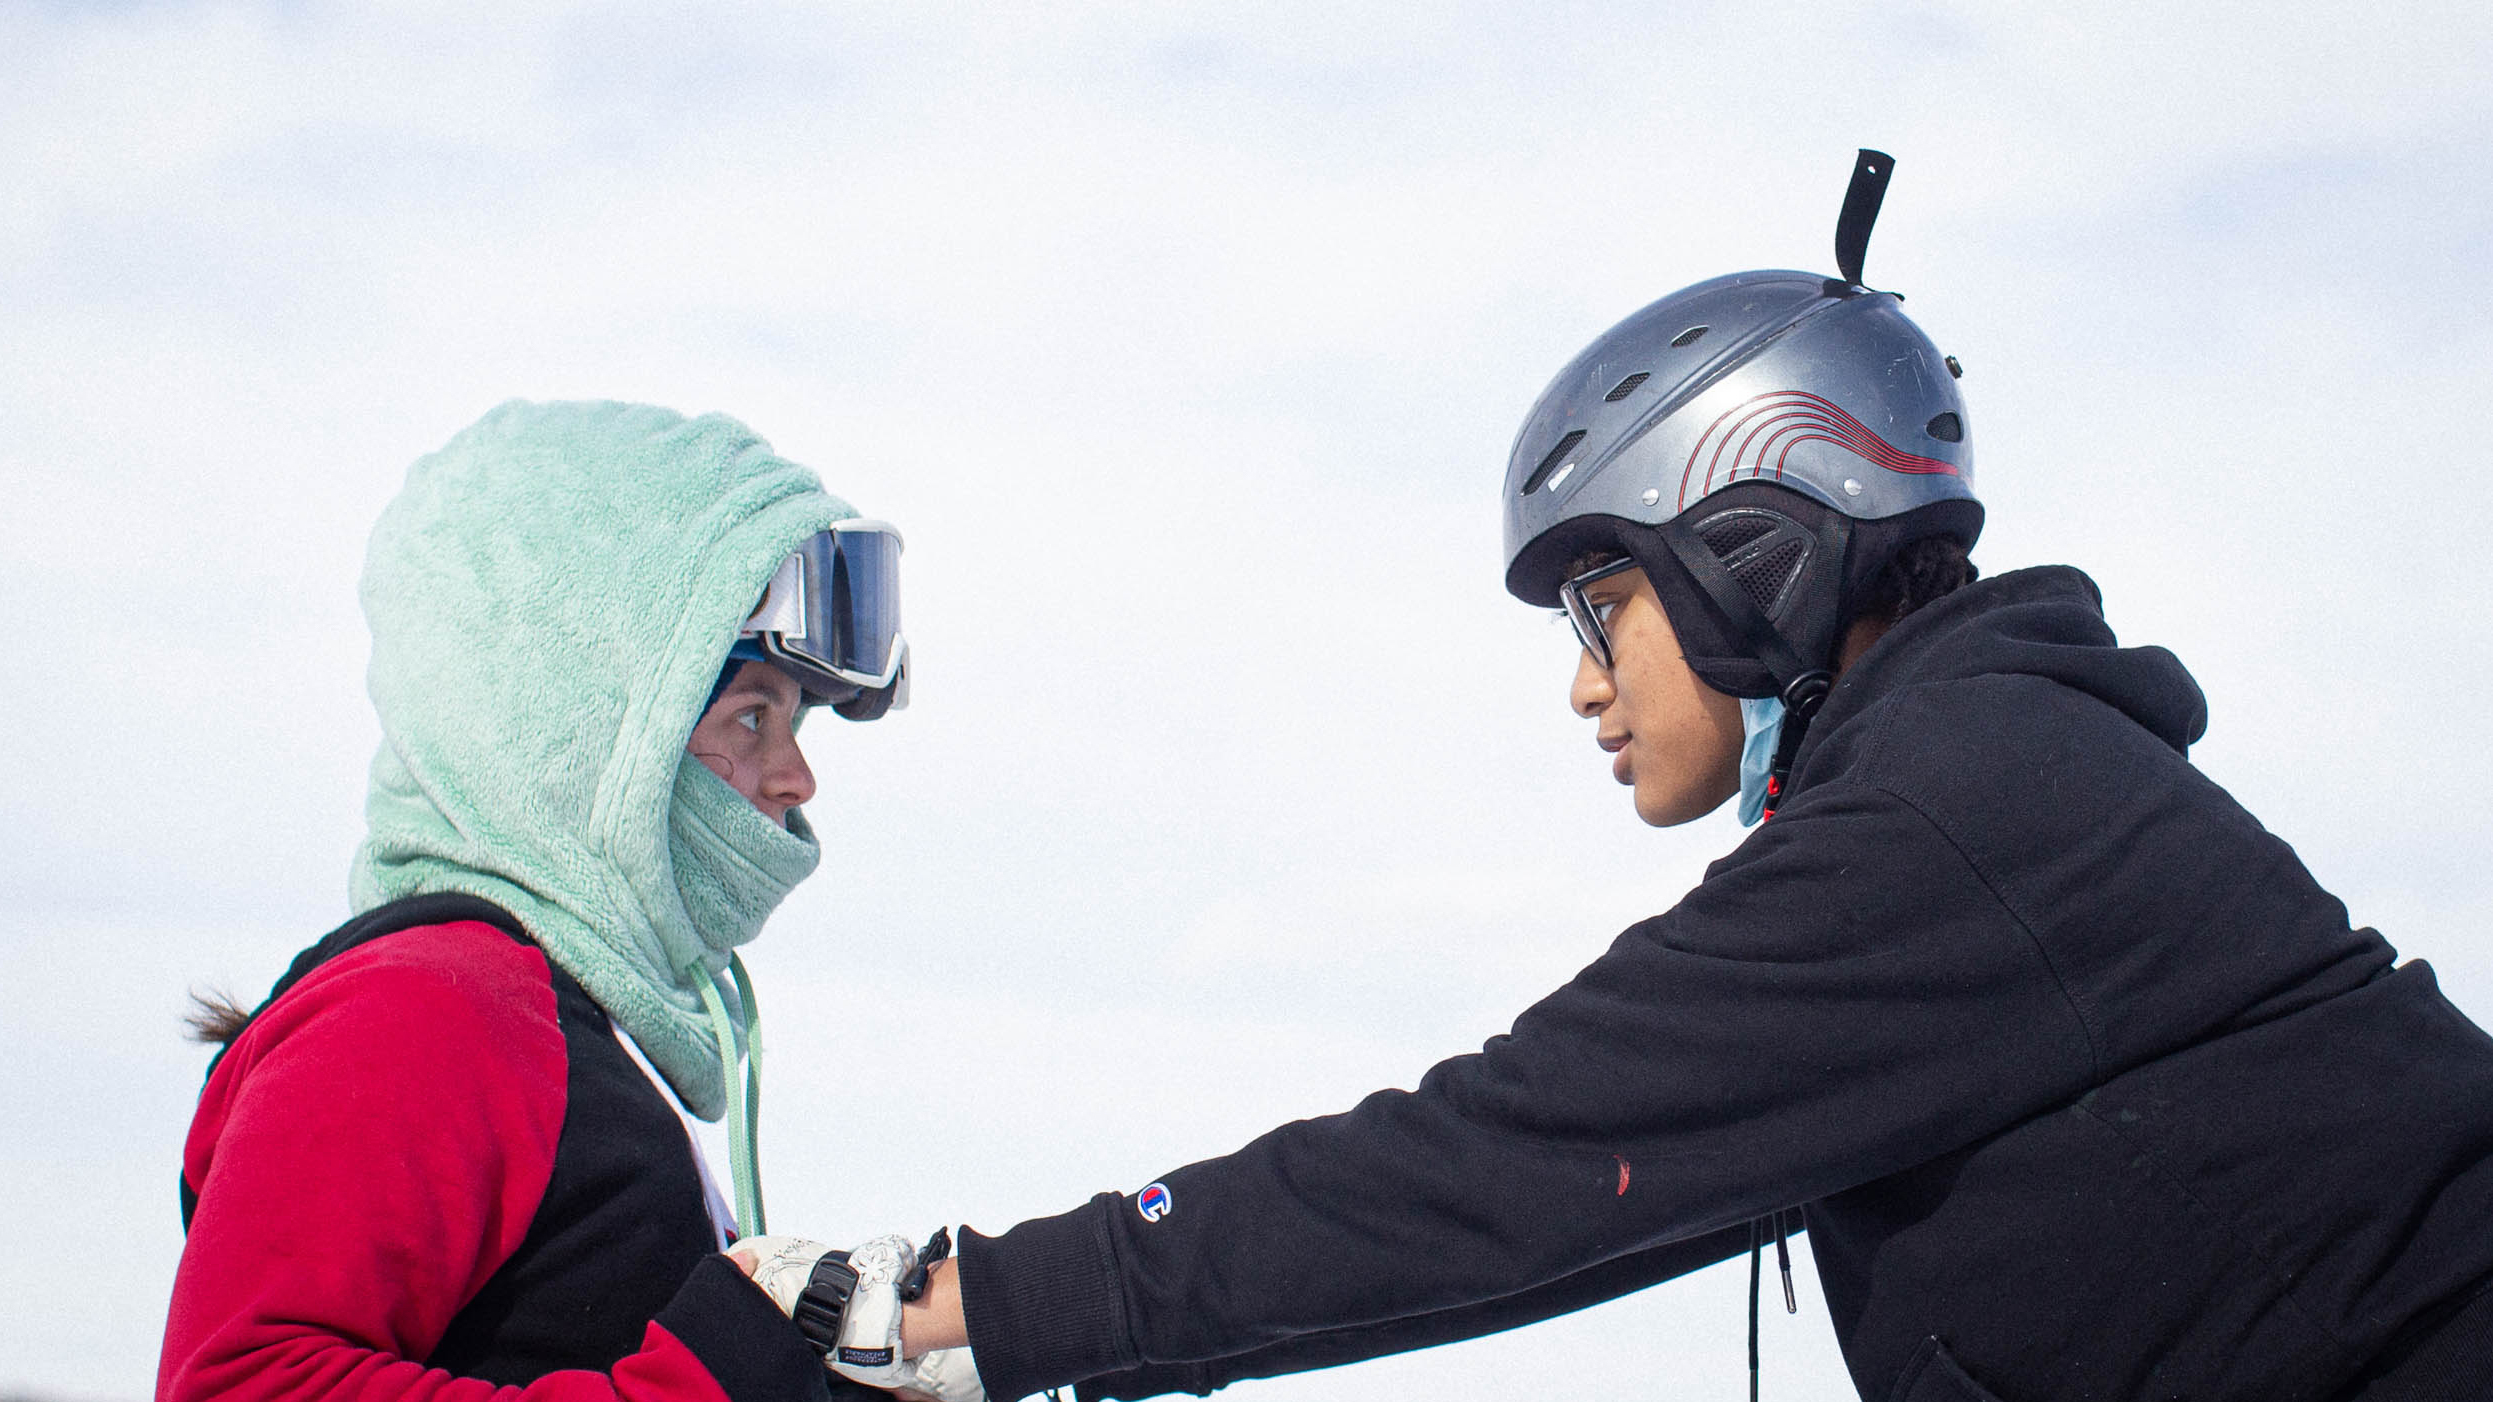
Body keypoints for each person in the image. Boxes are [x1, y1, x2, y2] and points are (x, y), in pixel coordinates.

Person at [738, 155, 2493, 1401]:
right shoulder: (1998, 779)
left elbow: (1496, 1161)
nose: (1583, 683)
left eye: (1602, 602)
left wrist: (966, 1298)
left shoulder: (1962, 816)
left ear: (1752, 542)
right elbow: (1566, 1213)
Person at [158, 400, 913, 1402]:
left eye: (798, 720)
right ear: (588, 726)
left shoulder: (548, 1025)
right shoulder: (425, 1009)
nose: (794, 778)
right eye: (752, 713)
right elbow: (242, 1385)